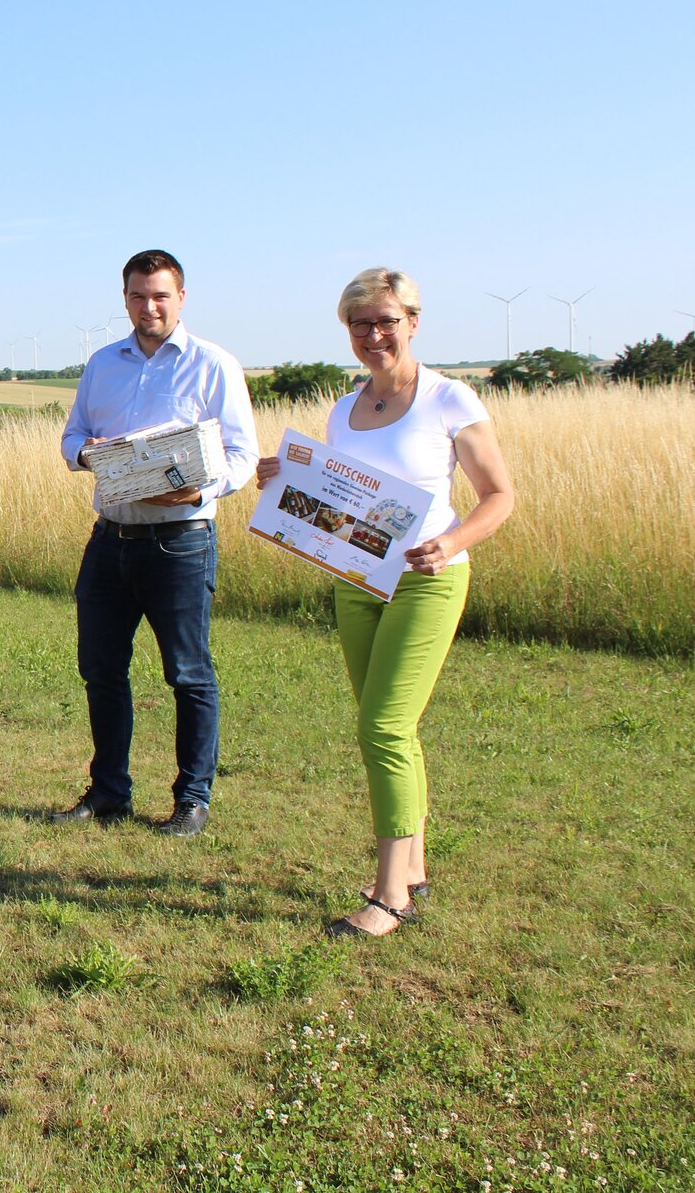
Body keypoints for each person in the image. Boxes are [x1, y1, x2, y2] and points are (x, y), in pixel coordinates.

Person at [256, 268, 514, 938]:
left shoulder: (450, 400)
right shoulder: (344, 410)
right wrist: (282, 480)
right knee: (385, 726)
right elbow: (335, 502)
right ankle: (415, 864)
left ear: (413, 322)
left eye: (386, 321)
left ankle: (390, 895)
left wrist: (450, 540)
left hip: (427, 582)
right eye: (360, 324)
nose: (374, 335)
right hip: (358, 584)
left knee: (385, 728)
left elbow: (500, 497)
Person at [57, 250, 258, 836]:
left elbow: (243, 455)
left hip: (181, 542)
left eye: (160, 295)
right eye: (139, 296)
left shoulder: (214, 365)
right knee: (100, 670)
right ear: (124, 299)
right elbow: (72, 436)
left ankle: (192, 799)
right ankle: (109, 792)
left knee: (188, 674)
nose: (149, 306)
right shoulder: (102, 365)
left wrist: (199, 490)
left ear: (182, 298)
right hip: (110, 538)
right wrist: (88, 454)